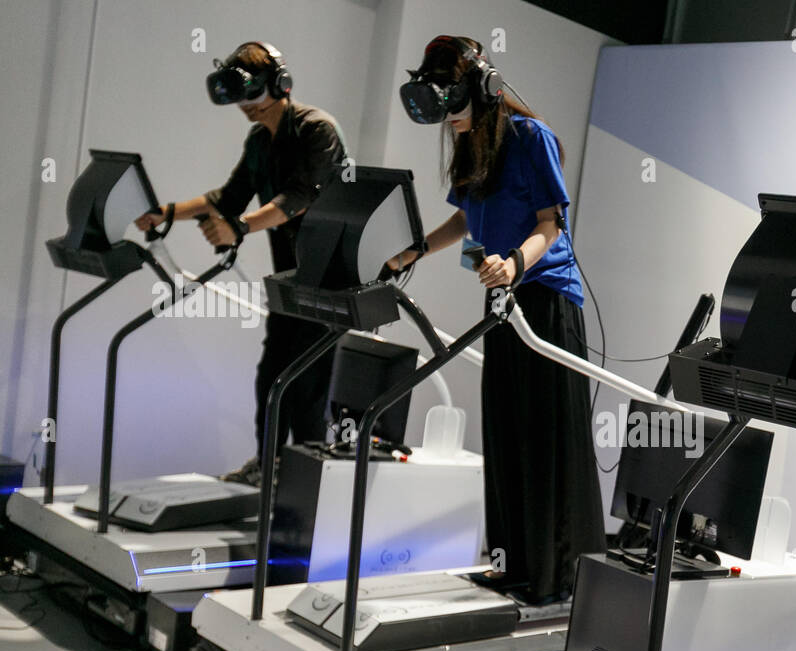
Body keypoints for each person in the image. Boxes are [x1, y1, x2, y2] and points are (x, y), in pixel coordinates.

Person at [389, 35, 605, 605]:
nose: (449, 124)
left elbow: (550, 225)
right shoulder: (468, 143)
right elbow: (465, 220)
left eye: (453, 110)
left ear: (481, 88)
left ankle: (555, 578)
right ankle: (510, 565)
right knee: (504, 433)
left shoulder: (532, 137)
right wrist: (412, 251)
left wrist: (513, 264)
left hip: (546, 299)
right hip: (503, 300)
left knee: (543, 438)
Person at [135, 41, 348, 486]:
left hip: (330, 279)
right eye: (239, 98)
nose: (246, 108)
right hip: (290, 278)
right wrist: (168, 212)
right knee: (272, 375)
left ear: (279, 85)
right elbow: (227, 199)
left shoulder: (317, 130)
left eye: (252, 95)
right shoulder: (259, 140)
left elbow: (299, 198)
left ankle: (307, 482)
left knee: (306, 387)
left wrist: (241, 228)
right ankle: (268, 464)